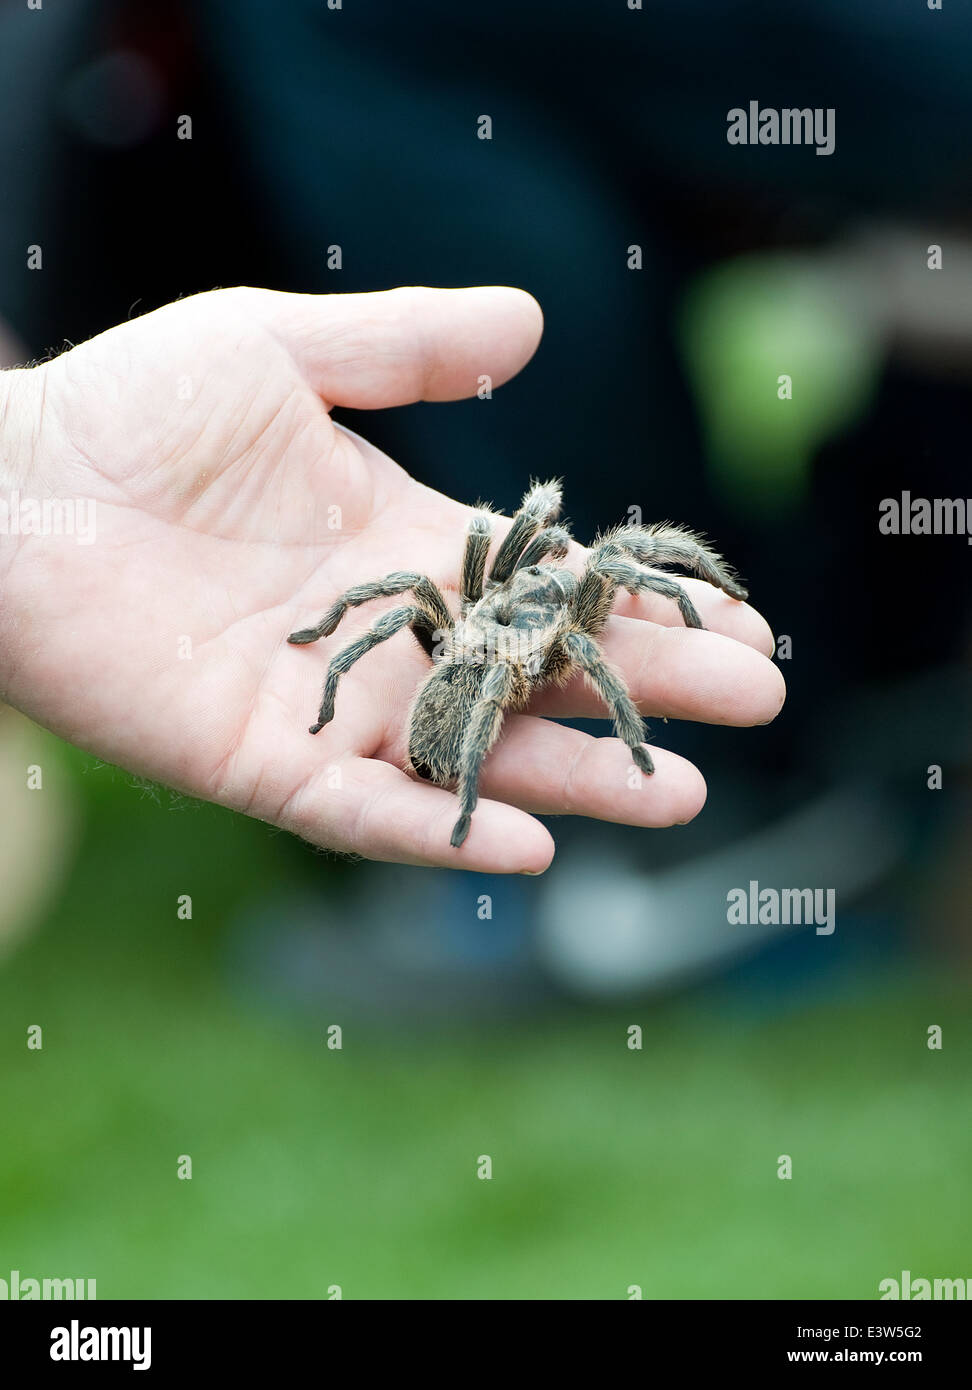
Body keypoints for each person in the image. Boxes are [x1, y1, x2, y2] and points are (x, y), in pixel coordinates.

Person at [0, 284, 784, 873]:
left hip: (475, 661)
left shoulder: (514, 619)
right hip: (474, 681)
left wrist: (690, 589)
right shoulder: (549, 632)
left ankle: (484, 779)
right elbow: (513, 554)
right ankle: (471, 790)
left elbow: (531, 551)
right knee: (458, 601)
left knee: (490, 589)